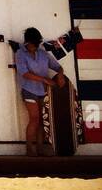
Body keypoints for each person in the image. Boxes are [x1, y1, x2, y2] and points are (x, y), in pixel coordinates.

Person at [13, 27, 68, 157]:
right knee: (34, 118)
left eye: (37, 44)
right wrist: (46, 80)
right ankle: (29, 149)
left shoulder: (43, 53)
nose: (35, 47)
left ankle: (40, 149)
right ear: (27, 43)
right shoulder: (20, 54)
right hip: (29, 90)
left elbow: (57, 66)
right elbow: (24, 73)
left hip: (42, 91)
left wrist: (60, 74)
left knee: (42, 121)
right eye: (33, 44)